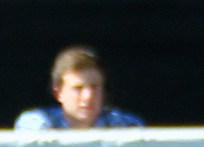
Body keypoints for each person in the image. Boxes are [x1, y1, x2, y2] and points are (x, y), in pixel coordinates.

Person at [14, 45, 144, 130]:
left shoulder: (126, 126)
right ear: (58, 93)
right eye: (78, 88)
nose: (88, 96)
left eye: (94, 87)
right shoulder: (36, 126)